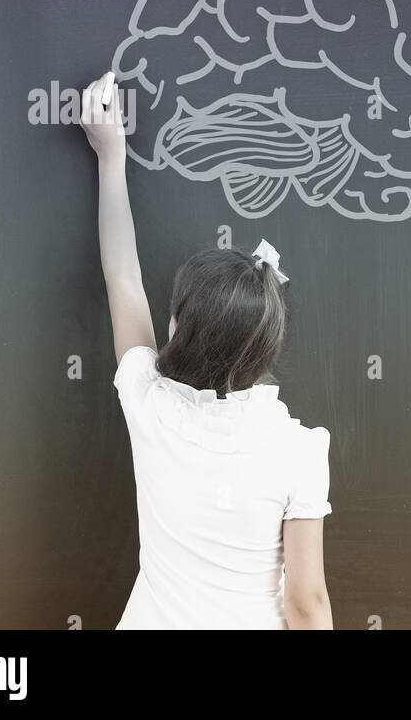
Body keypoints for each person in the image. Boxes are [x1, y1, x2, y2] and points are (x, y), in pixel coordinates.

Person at [78, 72, 332, 629]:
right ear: (266, 346)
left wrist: (110, 155)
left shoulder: (150, 403)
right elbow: (306, 604)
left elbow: (122, 279)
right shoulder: (299, 453)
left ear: (178, 328)